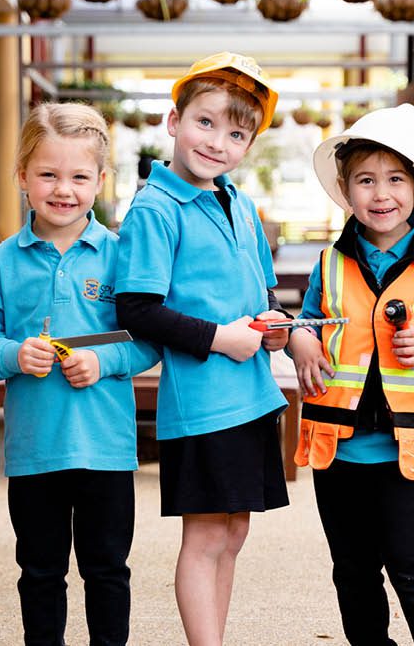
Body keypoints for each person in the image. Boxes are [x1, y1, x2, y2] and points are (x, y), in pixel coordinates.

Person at [287, 103, 414, 646]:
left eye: (395, 179)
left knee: (411, 564)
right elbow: (307, 321)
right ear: (347, 190)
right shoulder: (330, 263)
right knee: (351, 569)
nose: (381, 195)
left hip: (408, 450)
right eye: (366, 181)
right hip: (337, 447)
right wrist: (299, 338)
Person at [114, 52, 290, 646]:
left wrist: (276, 324)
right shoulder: (155, 208)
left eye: (237, 133)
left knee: (234, 531)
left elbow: (262, 292)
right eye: (205, 123)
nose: (218, 142)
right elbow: (136, 309)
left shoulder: (238, 202)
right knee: (206, 536)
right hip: (203, 403)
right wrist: (221, 339)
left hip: (251, 394)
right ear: (173, 120)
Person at [0, 102, 160, 646]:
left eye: (79, 176)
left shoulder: (123, 256)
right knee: (39, 572)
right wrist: (13, 356)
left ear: (101, 180)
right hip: (34, 451)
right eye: (48, 174)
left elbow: (147, 342)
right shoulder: (2, 264)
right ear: (22, 177)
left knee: (107, 570)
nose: (64, 189)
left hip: (106, 446)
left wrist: (103, 361)